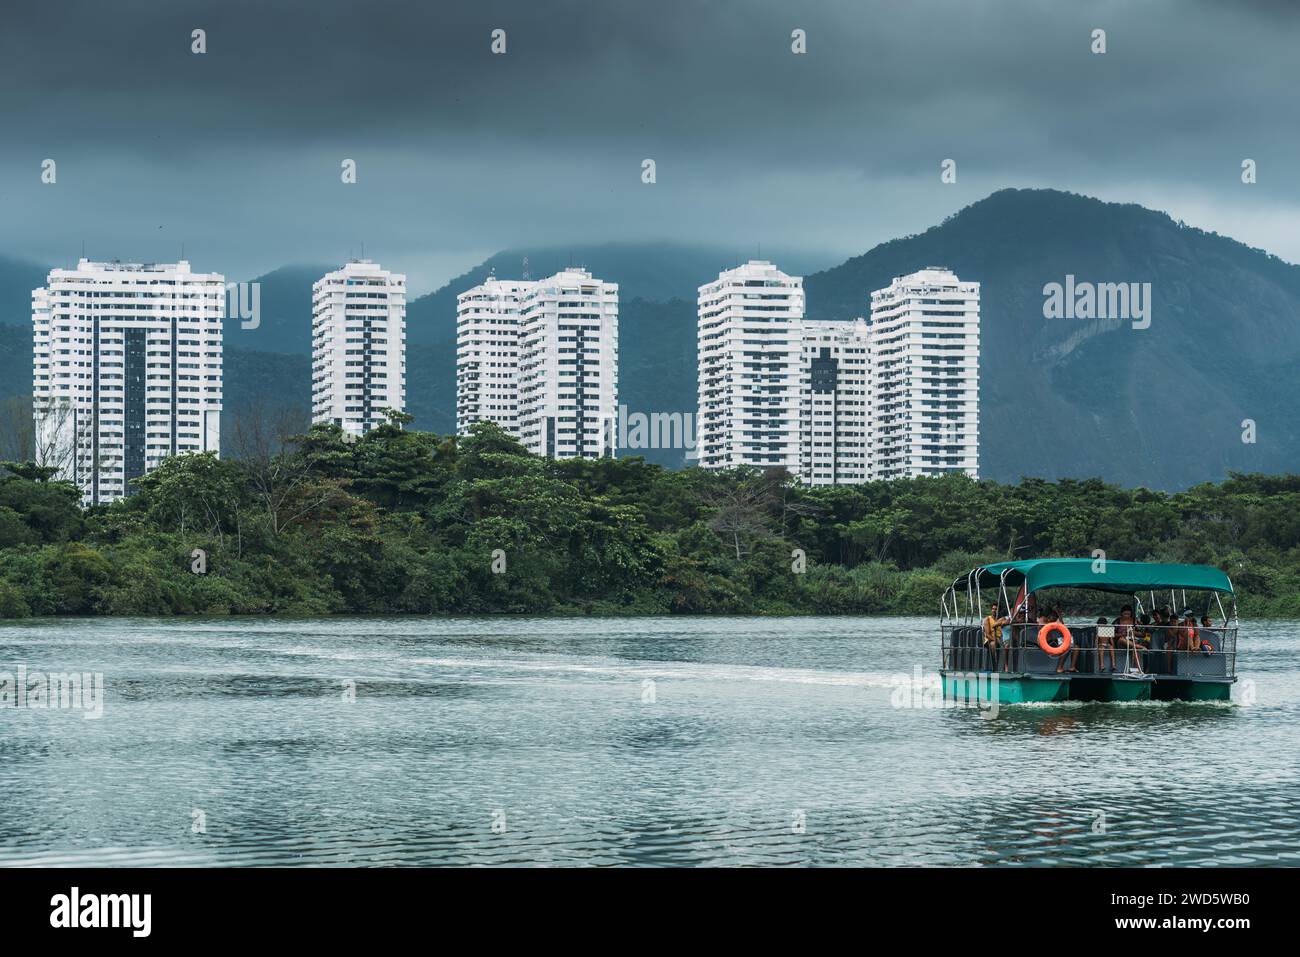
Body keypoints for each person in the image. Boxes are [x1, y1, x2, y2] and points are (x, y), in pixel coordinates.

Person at [982, 602, 1011, 671]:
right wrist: (995, 640)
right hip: (990, 639)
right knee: (993, 644)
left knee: (1007, 644)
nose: (993, 610)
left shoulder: (1001, 619)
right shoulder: (987, 619)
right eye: (993, 609)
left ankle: (1006, 666)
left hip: (1001, 638)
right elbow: (987, 634)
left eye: (996, 609)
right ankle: (995, 666)